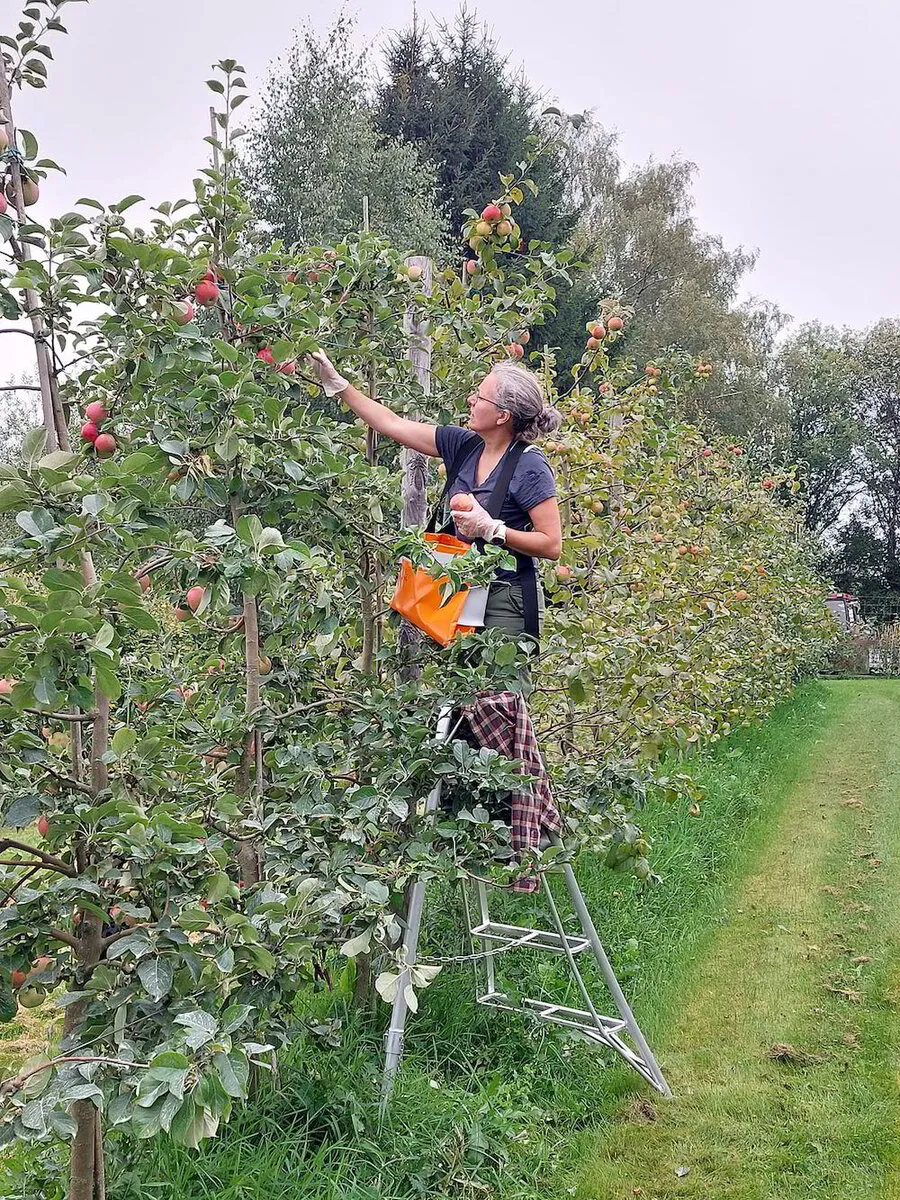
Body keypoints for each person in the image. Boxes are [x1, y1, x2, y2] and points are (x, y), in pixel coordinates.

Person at [307, 350, 564, 639]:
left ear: (502, 415)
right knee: (460, 683)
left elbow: (551, 545)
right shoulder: (463, 445)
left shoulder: (529, 464)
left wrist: (493, 529)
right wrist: (339, 385)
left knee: (500, 682)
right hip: (457, 592)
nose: (471, 400)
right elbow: (391, 424)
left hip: (505, 600)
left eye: (480, 398)